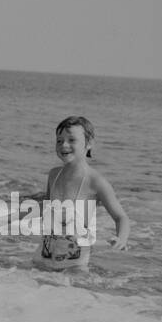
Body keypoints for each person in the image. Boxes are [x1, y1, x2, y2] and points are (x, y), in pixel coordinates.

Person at [30, 116, 130, 271]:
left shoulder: (96, 182)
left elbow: (121, 217)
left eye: (72, 140)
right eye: (59, 140)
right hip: (44, 254)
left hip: (75, 262)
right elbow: (46, 210)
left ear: (89, 144)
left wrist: (121, 239)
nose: (64, 145)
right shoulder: (54, 175)